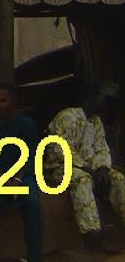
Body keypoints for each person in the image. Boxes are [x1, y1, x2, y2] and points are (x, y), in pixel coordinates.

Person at [48, 82, 125, 251]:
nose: (107, 104)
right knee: (82, 178)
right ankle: (91, 234)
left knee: (117, 178)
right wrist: (88, 169)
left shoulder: (96, 122)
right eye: (105, 100)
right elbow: (61, 150)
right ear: (94, 98)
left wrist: (103, 168)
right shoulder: (68, 116)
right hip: (61, 168)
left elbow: (101, 149)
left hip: (90, 169)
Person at [0, 82, 42, 262]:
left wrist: (18, 180)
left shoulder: (26, 124)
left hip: (22, 175)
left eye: (3, 100)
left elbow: (31, 156)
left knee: (32, 200)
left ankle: (35, 255)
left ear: (12, 102)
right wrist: (3, 178)